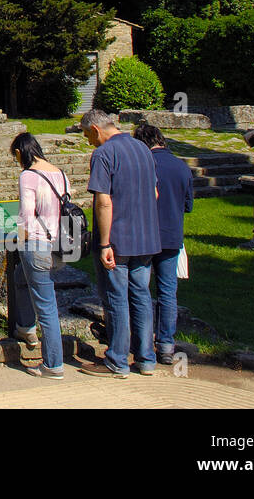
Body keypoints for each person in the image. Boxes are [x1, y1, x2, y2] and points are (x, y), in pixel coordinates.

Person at [77, 109, 160, 378]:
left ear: (96, 130)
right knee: (142, 296)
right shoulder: (143, 149)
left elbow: (103, 201)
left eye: (87, 135)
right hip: (146, 237)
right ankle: (146, 358)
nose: (88, 141)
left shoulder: (104, 153)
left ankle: (117, 359)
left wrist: (104, 243)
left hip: (118, 239)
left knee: (116, 298)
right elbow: (155, 192)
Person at [133, 122, 194, 365]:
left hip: (144, 236)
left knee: (141, 290)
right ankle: (166, 345)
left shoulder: (144, 164)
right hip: (171, 236)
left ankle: (144, 343)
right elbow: (188, 205)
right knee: (168, 292)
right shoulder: (181, 166)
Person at [8, 132, 68, 379]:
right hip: (60, 246)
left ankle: (53, 365)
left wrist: (16, 239)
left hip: (37, 245)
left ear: (20, 153)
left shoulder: (28, 176)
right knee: (20, 278)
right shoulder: (60, 173)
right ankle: (25, 328)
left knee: (47, 307)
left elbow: (25, 214)